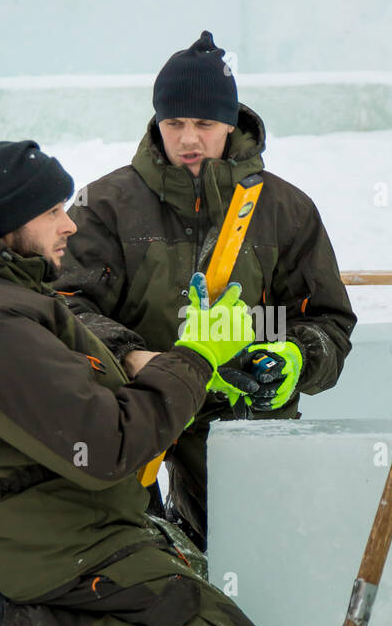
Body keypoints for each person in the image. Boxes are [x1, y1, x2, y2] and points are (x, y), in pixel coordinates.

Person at [0, 139, 272, 626]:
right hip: (54, 538)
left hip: (61, 516)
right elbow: (105, 445)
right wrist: (195, 358)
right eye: (52, 212)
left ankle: (6, 592)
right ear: (9, 221)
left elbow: (75, 399)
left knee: (197, 578)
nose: (69, 226)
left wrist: (149, 363)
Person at [55, 29, 356, 549]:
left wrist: (290, 359)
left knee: (246, 554)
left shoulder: (285, 210)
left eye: (204, 123)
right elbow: (63, 307)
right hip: (131, 409)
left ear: (231, 123)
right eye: (174, 123)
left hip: (239, 415)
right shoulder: (103, 204)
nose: (188, 139)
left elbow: (328, 321)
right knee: (119, 555)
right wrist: (131, 357)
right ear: (157, 123)